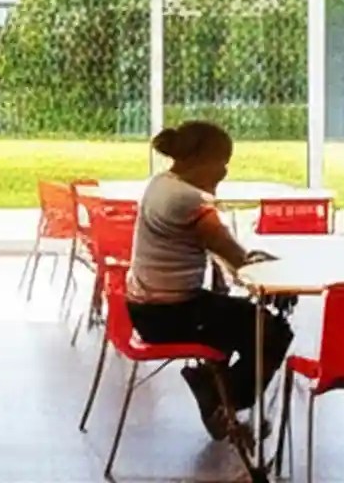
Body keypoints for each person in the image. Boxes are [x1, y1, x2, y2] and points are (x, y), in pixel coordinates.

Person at [124, 121, 293, 442]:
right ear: (200, 159)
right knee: (272, 332)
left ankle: (215, 390)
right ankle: (223, 400)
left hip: (146, 309)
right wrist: (264, 267)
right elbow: (234, 256)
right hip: (172, 315)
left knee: (237, 319)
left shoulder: (160, 184)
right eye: (223, 163)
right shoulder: (189, 201)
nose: (224, 173)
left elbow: (222, 254)